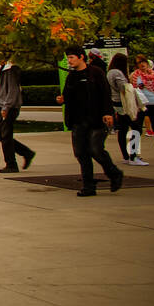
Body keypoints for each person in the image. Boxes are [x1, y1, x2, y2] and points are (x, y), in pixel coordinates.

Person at [57, 46, 123, 197]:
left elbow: (105, 93)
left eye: (72, 57)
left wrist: (108, 113)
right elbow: (66, 95)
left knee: (96, 150)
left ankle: (114, 174)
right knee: (81, 153)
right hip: (78, 120)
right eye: (68, 58)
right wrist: (61, 99)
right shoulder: (72, 76)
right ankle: (88, 186)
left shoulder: (96, 73)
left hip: (96, 119)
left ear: (81, 57)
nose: (69, 61)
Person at [0, 57, 34, 173]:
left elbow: (13, 90)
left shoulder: (10, 70)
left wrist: (6, 107)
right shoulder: (1, 69)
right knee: (1, 135)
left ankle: (11, 164)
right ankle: (27, 153)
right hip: (2, 105)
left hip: (9, 106)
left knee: (5, 135)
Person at [107, 53, 146, 165]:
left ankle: (126, 156)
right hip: (124, 103)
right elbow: (123, 88)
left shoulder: (110, 72)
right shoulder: (117, 73)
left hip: (116, 103)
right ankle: (133, 156)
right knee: (136, 128)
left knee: (123, 129)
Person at [131, 55, 154, 161]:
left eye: (143, 62)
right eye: (139, 63)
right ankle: (133, 154)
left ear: (147, 63)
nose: (142, 64)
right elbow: (135, 89)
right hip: (141, 105)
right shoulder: (135, 75)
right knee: (137, 129)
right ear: (136, 65)